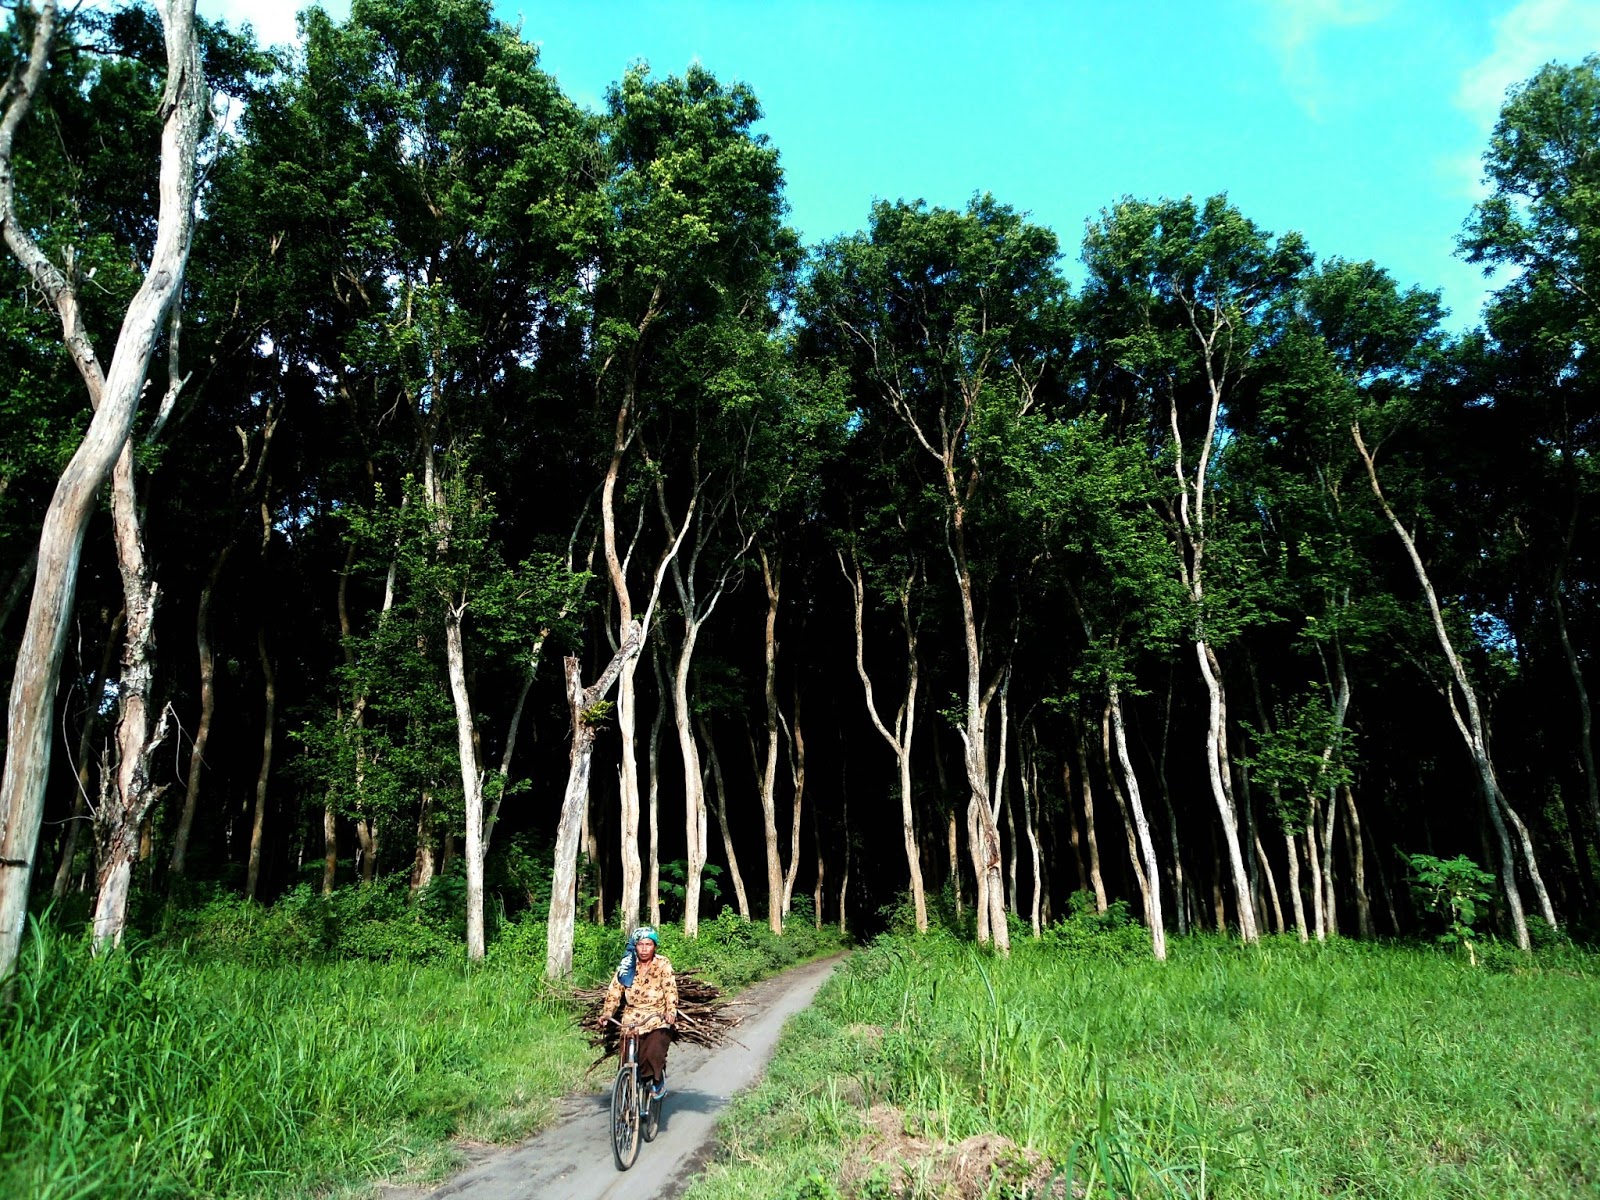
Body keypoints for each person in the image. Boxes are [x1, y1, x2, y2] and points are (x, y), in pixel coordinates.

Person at [599, 926, 678, 1099]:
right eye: (640, 944)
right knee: (626, 1056)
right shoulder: (627, 965)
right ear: (635, 946)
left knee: (653, 1051)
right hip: (631, 1018)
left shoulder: (662, 964)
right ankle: (626, 1096)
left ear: (654, 946)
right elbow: (614, 991)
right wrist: (607, 1013)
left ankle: (657, 1080)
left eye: (648, 944)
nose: (644, 949)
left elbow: (670, 989)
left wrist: (670, 1011)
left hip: (656, 1016)